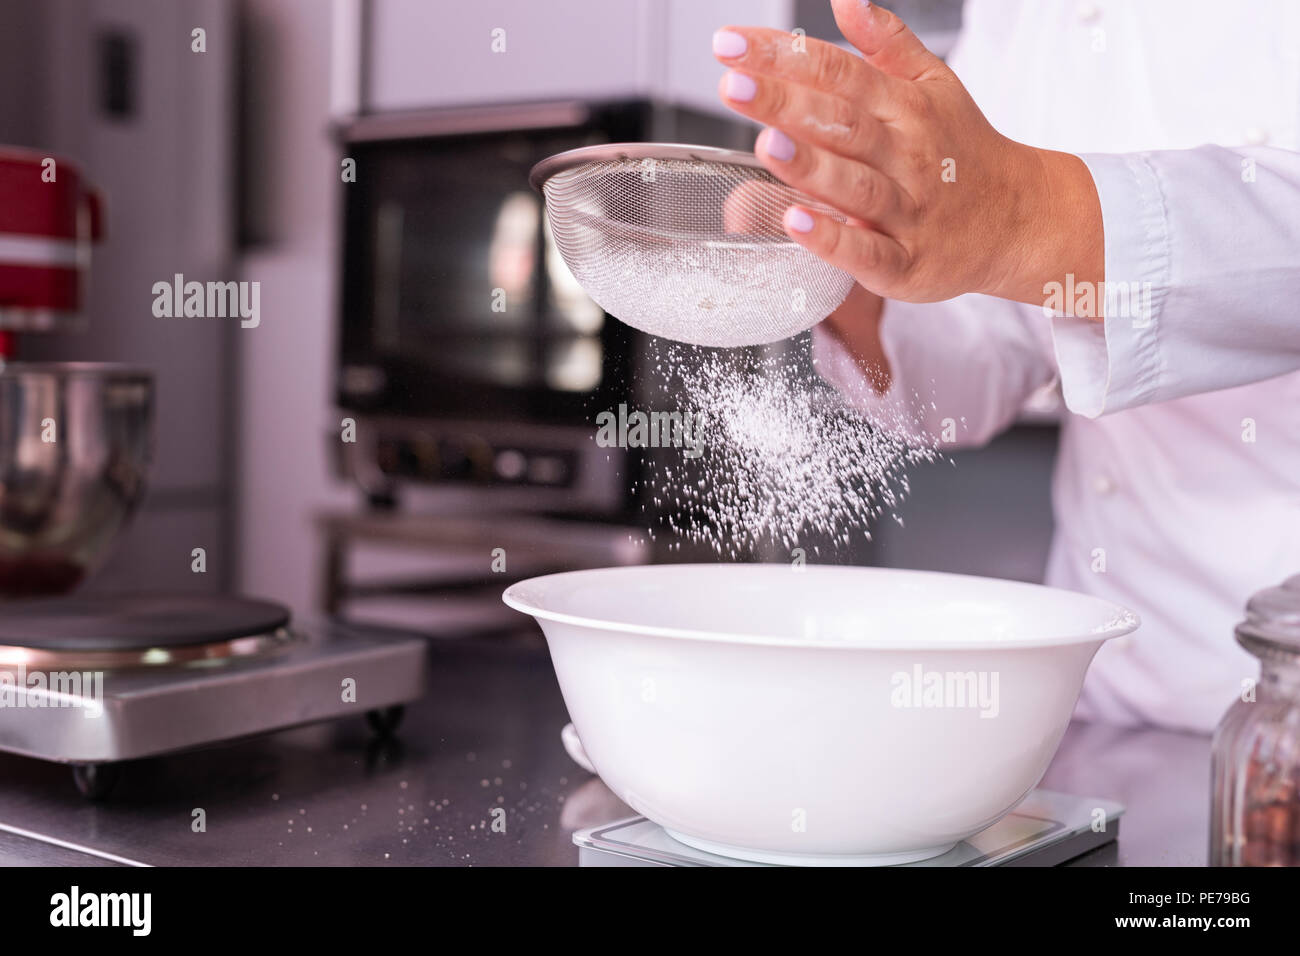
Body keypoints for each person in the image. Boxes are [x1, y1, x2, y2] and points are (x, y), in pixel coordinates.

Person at [712, 0, 1300, 732]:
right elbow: (994, 342)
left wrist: (1025, 213)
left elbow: (1011, 223)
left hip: (1283, 688)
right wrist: (856, 281)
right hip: (1107, 691)